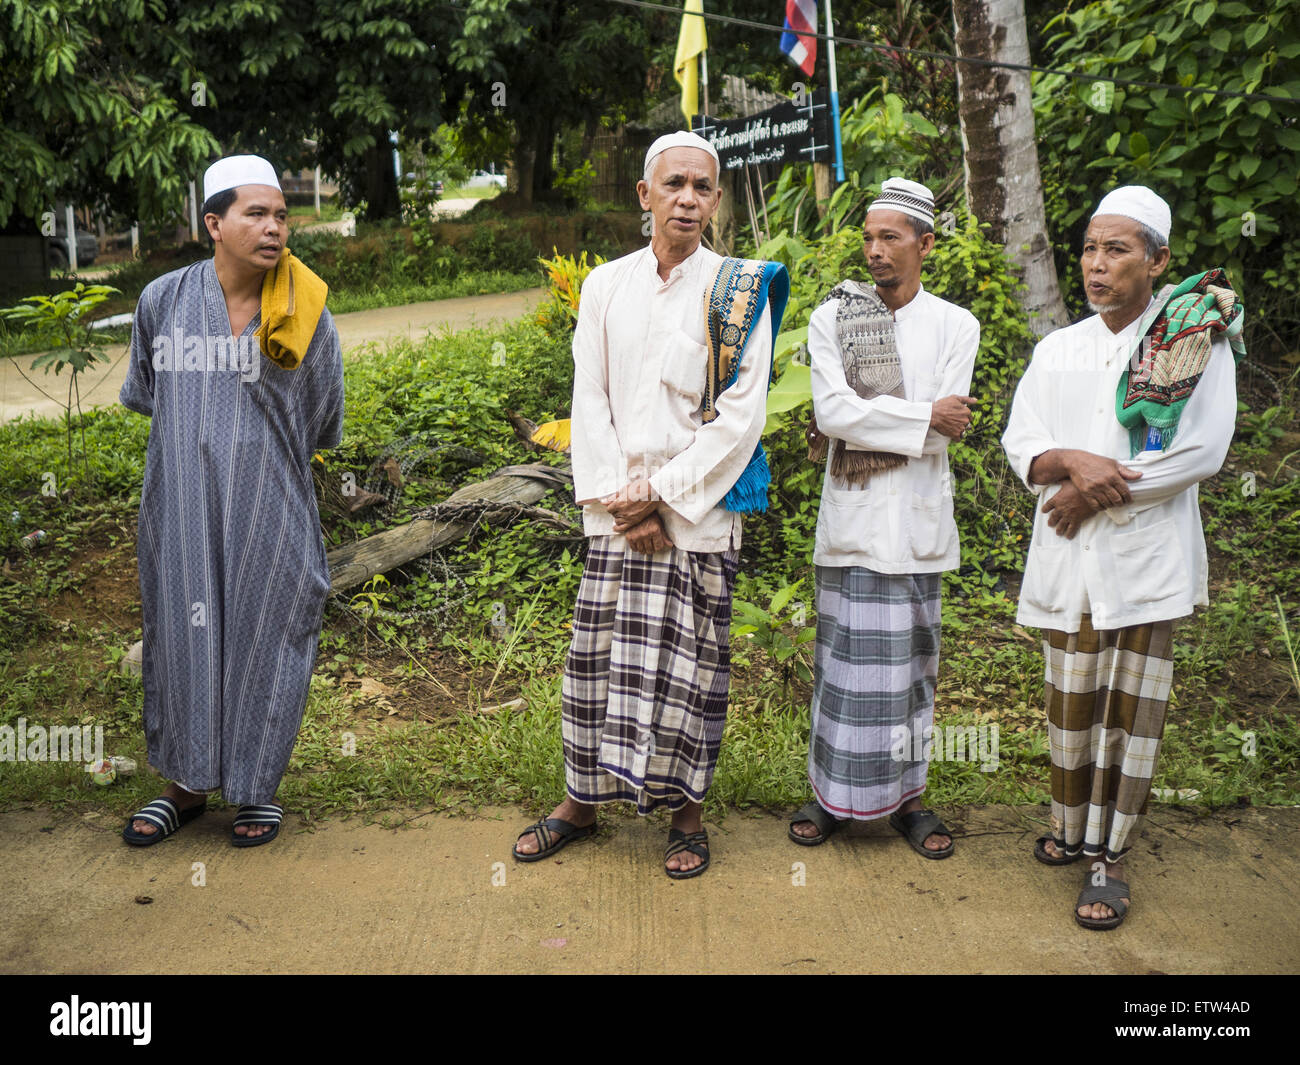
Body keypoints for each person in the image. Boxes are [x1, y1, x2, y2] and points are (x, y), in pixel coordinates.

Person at [512, 132, 788, 878]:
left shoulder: (737, 290)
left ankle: (687, 817)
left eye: (703, 187)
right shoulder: (606, 285)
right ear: (646, 194)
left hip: (693, 516)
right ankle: (581, 802)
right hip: (616, 513)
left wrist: (660, 498)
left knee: (692, 670)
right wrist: (617, 499)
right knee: (595, 663)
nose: (688, 199)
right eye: (674, 185)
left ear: (717, 199)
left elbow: (740, 419)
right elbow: (589, 398)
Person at [1002, 185, 1242, 928]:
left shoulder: (1195, 341)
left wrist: (1093, 492)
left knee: (1128, 716)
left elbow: (1202, 449)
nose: (1097, 266)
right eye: (1089, 250)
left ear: (1158, 259)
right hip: (1070, 555)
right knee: (1070, 704)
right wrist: (1069, 461)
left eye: (1117, 250)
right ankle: (1071, 832)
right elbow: (1021, 442)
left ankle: (1110, 858)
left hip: (1144, 557)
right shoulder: (1059, 347)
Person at [120, 154, 344, 848]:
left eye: (281, 214)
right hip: (182, 504)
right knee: (185, 638)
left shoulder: (308, 310)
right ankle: (183, 786)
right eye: (256, 213)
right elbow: (150, 395)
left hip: (270, 506)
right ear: (213, 223)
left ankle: (255, 787)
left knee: (266, 636)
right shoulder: (163, 301)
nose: (275, 227)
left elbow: (321, 417)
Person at [789, 178, 980, 859]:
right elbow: (833, 414)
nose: (874, 251)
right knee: (840, 667)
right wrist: (923, 411)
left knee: (911, 674)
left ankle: (910, 801)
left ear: (925, 244)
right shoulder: (833, 317)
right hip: (854, 526)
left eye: (890, 237)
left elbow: (944, 434)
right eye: (867, 237)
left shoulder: (957, 325)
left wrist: (918, 422)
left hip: (918, 528)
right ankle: (828, 794)